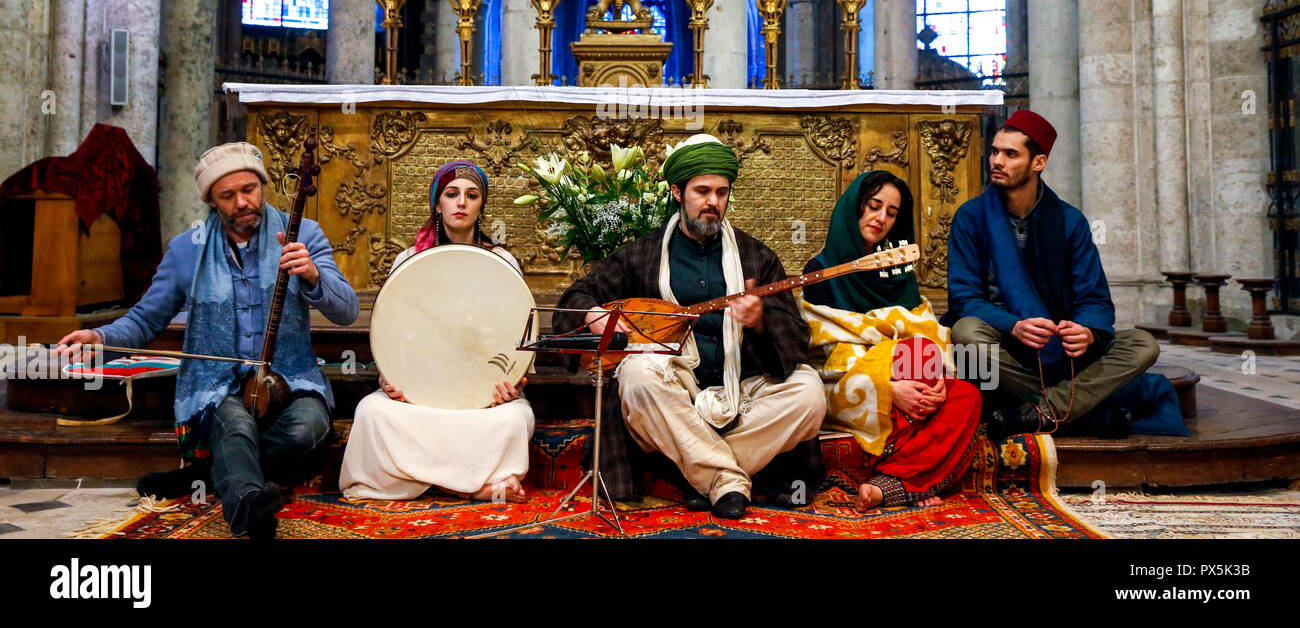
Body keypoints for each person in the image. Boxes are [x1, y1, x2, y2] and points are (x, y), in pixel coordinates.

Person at [56, 142, 360, 539]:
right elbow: (147, 318)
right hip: (216, 384)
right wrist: (99, 335)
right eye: (228, 196)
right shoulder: (187, 249)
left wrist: (314, 277)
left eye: (249, 189)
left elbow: (348, 311)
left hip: (290, 380)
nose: (242, 202)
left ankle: (208, 474)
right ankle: (249, 507)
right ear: (212, 202)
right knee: (233, 424)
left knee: (307, 431)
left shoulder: (302, 233)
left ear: (263, 185)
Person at [553, 134, 826, 520]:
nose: (713, 201)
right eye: (702, 191)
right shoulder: (641, 255)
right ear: (678, 192)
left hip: (742, 390)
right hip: (673, 393)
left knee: (809, 393)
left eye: (721, 192)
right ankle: (727, 481)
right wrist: (593, 314)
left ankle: (697, 473)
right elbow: (573, 300)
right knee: (637, 374)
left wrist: (762, 320)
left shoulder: (756, 257)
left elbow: (796, 341)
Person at [945, 109, 1161, 439]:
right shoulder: (970, 217)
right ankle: (1080, 411)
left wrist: (1087, 331)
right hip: (1006, 349)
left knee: (1143, 344)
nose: (996, 161)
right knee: (966, 333)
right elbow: (965, 298)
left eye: (1010, 154)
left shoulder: (1070, 221)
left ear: (1038, 163)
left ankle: (1036, 414)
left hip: (1061, 348)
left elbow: (1096, 300)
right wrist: (1014, 325)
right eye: (994, 151)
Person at [339, 161, 534, 503]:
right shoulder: (409, 260)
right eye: (452, 194)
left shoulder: (502, 260)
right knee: (373, 411)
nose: (461, 202)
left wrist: (514, 380)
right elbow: (393, 332)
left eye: (471, 196)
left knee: (517, 416)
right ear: (437, 203)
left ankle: (446, 482)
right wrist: (390, 379)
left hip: (482, 397)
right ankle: (467, 486)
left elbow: (518, 330)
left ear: (481, 205)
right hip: (420, 393)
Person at [801, 170, 981, 509]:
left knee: (966, 395)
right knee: (914, 352)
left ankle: (890, 485)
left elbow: (923, 327)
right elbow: (824, 349)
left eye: (892, 212)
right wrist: (887, 387)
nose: (880, 218)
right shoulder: (822, 270)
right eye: (873, 206)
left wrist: (940, 378)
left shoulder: (897, 271)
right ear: (855, 207)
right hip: (850, 382)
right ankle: (915, 483)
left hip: (914, 376)